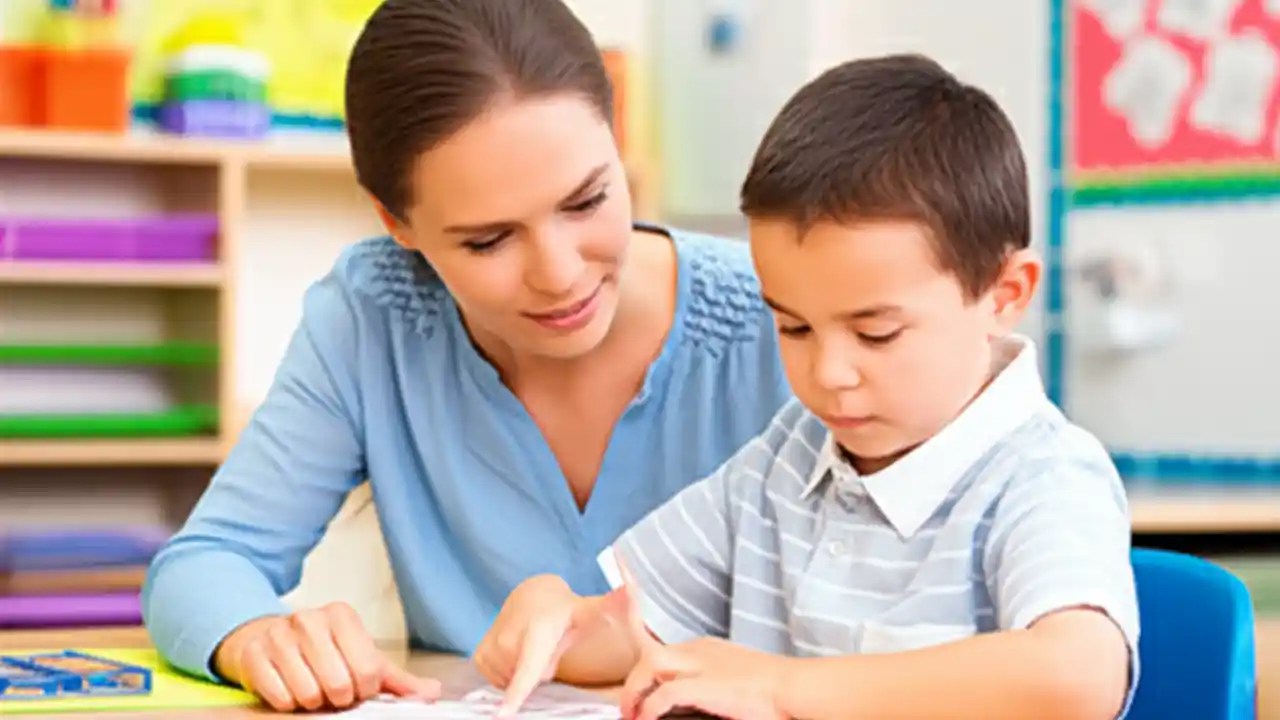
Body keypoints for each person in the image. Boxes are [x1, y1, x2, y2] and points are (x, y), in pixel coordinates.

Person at [141, 0, 791, 712]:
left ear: (616, 136)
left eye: (587, 201)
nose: (560, 272)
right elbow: (206, 563)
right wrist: (256, 635)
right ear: (395, 222)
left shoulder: (789, 317)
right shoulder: (373, 319)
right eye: (489, 241)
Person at [483, 54, 1139, 720]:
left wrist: (778, 686)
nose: (827, 374)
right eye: (794, 328)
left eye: (877, 333)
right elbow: (636, 633)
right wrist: (557, 621)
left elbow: (1076, 677)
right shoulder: (789, 456)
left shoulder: (1043, 475)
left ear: (1004, 296)